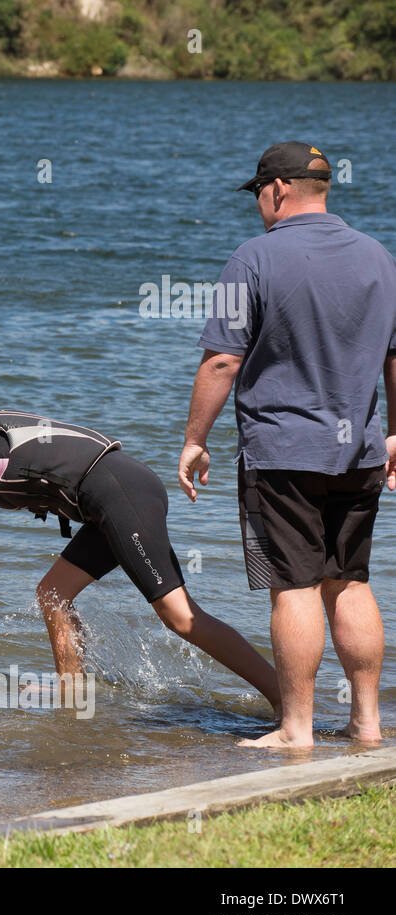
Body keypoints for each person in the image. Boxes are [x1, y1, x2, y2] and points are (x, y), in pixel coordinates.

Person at [0, 376, 280, 712]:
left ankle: (283, 696)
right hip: (113, 499)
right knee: (53, 593)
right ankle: (71, 693)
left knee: (181, 617)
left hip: (123, 495)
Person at [180, 141, 396, 749]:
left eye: (257, 195)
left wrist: (194, 441)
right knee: (350, 580)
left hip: (282, 453)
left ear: (277, 189)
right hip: (361, 455)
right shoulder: (382, 258)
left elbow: (222, 359)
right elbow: (394, 357)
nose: (258, 206)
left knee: (295, 587)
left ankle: (296, 730)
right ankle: (368, 724)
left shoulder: (248, 259)